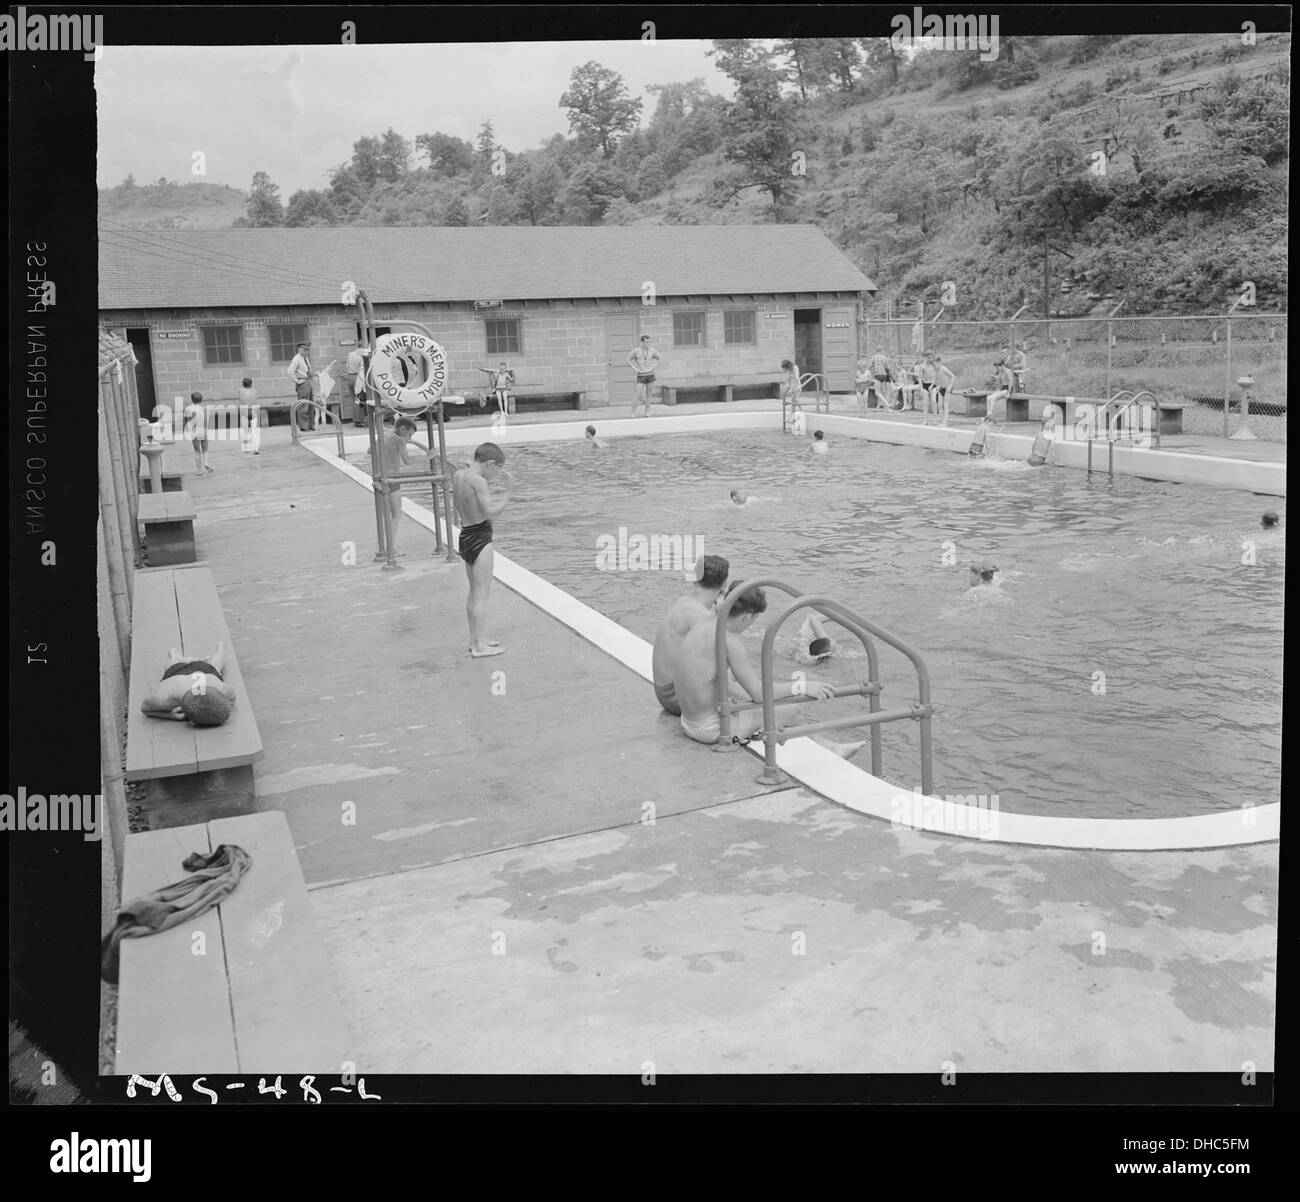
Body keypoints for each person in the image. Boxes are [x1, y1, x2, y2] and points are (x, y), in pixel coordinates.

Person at [673, 582, 837, 745]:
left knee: (772, 706)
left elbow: (720, 682)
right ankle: (829, 748)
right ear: (747, 616)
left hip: (689, 721)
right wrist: (803, 686)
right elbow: (758, 693)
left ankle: (818, 742)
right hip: (711, 728)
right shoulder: (729, 640)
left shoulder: (702, 625)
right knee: (793, 710)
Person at [651, 554, 730, 715]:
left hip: (663, 694)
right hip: (678, 699)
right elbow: (723, 665)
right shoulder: (702, 617)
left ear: (696, 578)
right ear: (724, 585)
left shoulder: (683, 602)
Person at [453, 443, 510, 657]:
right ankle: (477, 647)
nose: (496, 475)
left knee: (473, 591)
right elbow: (491, 514)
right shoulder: (479, 482)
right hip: (480, 537)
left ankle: (475, 639)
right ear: (490, 463)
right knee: (482, 593)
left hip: (465, 535)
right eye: (498, 469)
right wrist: (508, 494)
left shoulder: (459, 475)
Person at [140, 643, 236, 726]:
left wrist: (171, 715)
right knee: (172, 664)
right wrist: (170, 715)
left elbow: (232, 698)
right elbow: (144, 709)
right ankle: (174, 655)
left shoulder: (221, 689)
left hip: (200, 674)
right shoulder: (166, 697)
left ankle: (220, 649)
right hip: (183, 675)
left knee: (215, 665)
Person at [380, 417, 435, 557]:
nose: (410, 438)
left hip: (381, 477)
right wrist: (428, 456)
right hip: (393, 479)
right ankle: (390, 548)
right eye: (410, 434)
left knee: (385, 515)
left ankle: (383, 546)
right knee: (396, 514)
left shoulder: (385, 435)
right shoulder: (398, 440)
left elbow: (370, 451)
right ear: (402, 429)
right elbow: (408, 460)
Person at [627, 334, 661, 418]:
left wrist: (654, 366)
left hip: (650, 374)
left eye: (649, 342)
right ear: (642, 342)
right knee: (638, 394)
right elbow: (628, 359)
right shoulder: (636, 351)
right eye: (646, 342)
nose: (648, 344)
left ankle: (647, 412)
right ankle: (633, 412)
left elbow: (659, 358)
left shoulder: (652, 351)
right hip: (641, 375)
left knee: (649, 394)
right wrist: (634, 368)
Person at [288, 341, 317, 430]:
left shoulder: (305, 358)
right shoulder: (296, 359)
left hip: (307, 381)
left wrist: (313, 374)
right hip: (302, 382)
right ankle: (304, 426)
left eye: (307, 350)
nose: (306, 352)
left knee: (310, 404)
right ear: (299, 349)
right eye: (304, 350)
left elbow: (307, 370)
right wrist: (297, 380)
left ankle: (311, 425)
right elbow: (290, 371)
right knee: (304, 405)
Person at [183, 391, 213, 474]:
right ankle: (206, 463)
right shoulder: (206, 408)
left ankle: (199, 470)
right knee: (205, 449)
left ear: (192, 400)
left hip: (194, 431)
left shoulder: (188, 409)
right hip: (204, 430)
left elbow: (186, 421)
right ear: (201, 399)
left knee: (197, 451)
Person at [237, 378, 261, 455]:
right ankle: (256, 448)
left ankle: (245, 448)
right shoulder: (255, 391)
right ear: (251, 384)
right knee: (255, 431)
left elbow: (241, 400)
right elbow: (255, 400)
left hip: (244, 411)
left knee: (245, 431)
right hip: (253, 411)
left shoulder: (240, 391)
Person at [345, 345, 367, 425]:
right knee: (359, 399)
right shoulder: (361, 356)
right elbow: (363, 369)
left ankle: (355, 418)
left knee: (353, 399)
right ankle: (359, 420)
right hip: (358, 378)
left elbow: (347, 366)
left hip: (350, 377)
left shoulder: (350, 354)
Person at [932, 356, 955, 427]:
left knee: (945, 405)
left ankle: (945, 423)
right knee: (940, 405)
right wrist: (935, 387)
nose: (933, 365)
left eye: (934, 364)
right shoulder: (935, 370)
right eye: (933, 364)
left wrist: (950, 386)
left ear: (939, 362)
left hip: (947, 388)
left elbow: (953, 376)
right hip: (941, 388)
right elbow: (937, 379)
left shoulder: (943, 369)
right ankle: (942, 421)